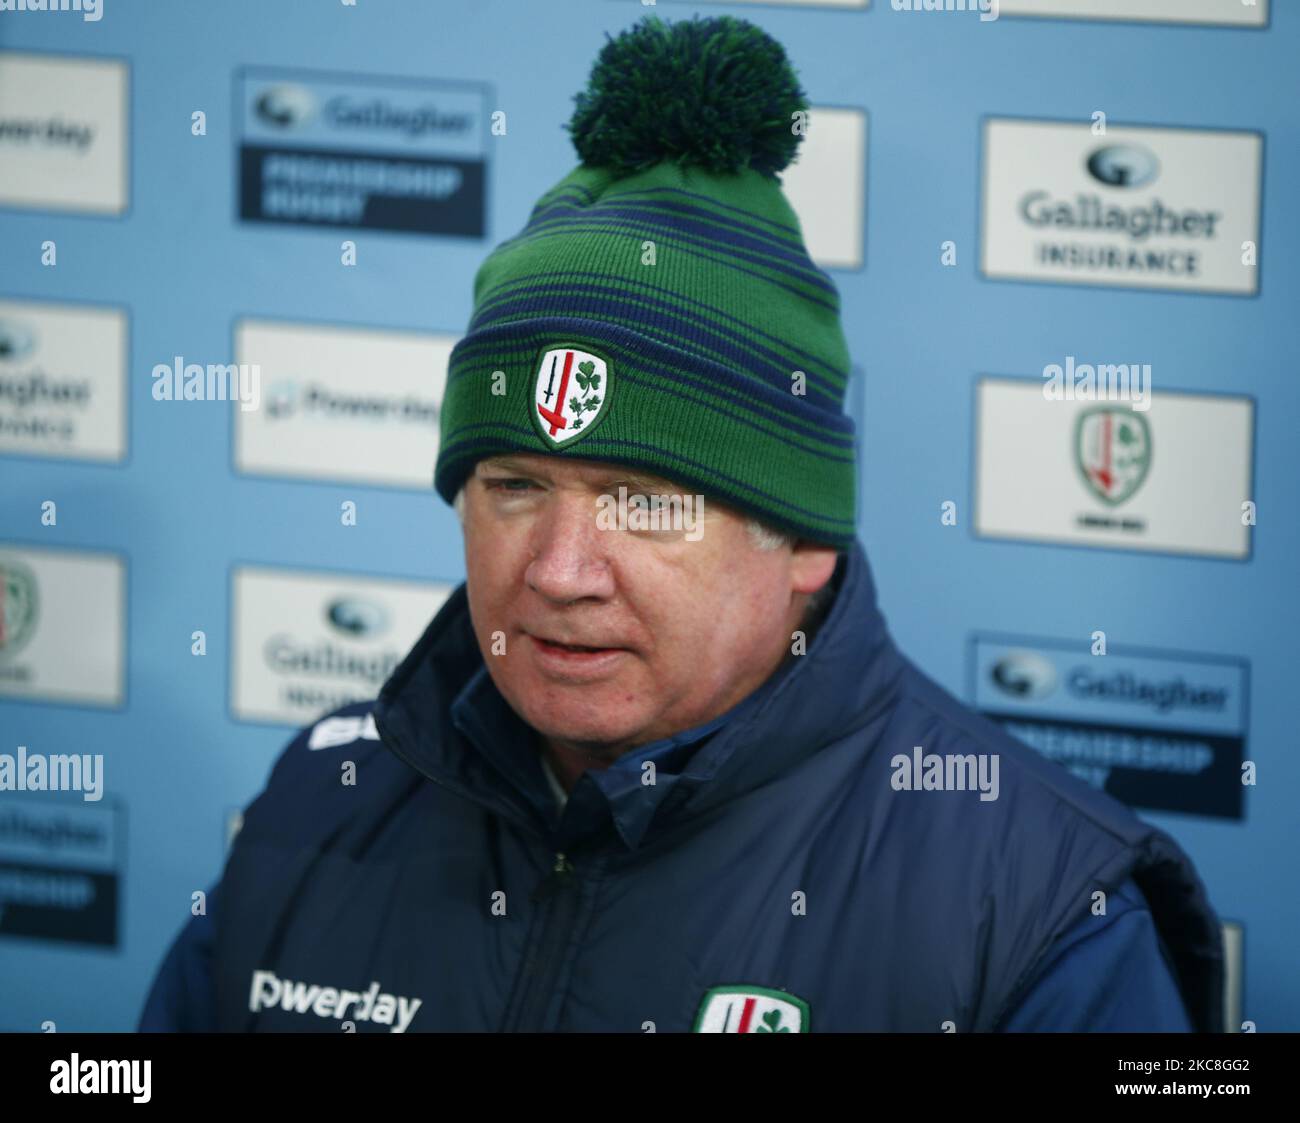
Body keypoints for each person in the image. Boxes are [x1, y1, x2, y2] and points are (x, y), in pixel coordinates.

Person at [140, 14, 1222, 1033]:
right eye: (515, 485)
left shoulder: (1039, 912)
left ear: (803, 539)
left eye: (645, 502)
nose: (561, 571)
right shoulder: (323, 803)